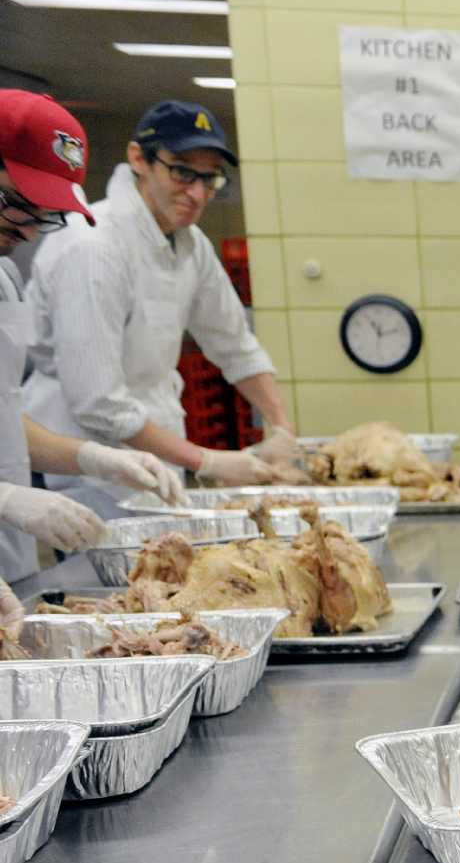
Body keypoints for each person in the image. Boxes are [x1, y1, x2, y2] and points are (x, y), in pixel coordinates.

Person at [24, 100, 295, 511]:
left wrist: (281, 427)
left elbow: (234, 344)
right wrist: (206, 460)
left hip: (157, 457)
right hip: (84, 469)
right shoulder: (93, 247)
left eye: (210, 178)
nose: (197, 193)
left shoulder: (190, 244)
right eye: (182, 172)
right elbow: (98, 403)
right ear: (139, 159)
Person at [0, 92, 184, 610]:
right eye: (18, 204)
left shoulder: (4, 277)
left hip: (10, 565)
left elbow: (4, 419)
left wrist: (93, 458)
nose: (29, 230)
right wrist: (6, 497)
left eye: (45, 214)